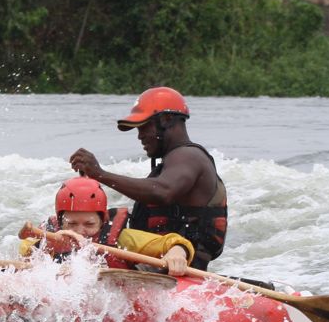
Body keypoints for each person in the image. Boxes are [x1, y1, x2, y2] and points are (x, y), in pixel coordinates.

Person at [68, 87, 226, 270]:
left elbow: (162, 192)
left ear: (166, 120)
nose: (140, 136)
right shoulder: (172, 162)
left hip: (180, 264)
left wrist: (99, 174)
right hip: (156, 262)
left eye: (144, 127)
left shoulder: (189, 156)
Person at [20, 176, 192, 276]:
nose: (81, 231)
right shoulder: (48, 236)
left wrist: (177, 253)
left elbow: (173, 242)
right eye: (71, 224)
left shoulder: (122, 238)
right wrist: (45, 247)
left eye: (89, 224)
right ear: (60, 221)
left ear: (102, 221)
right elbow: (25, 250)